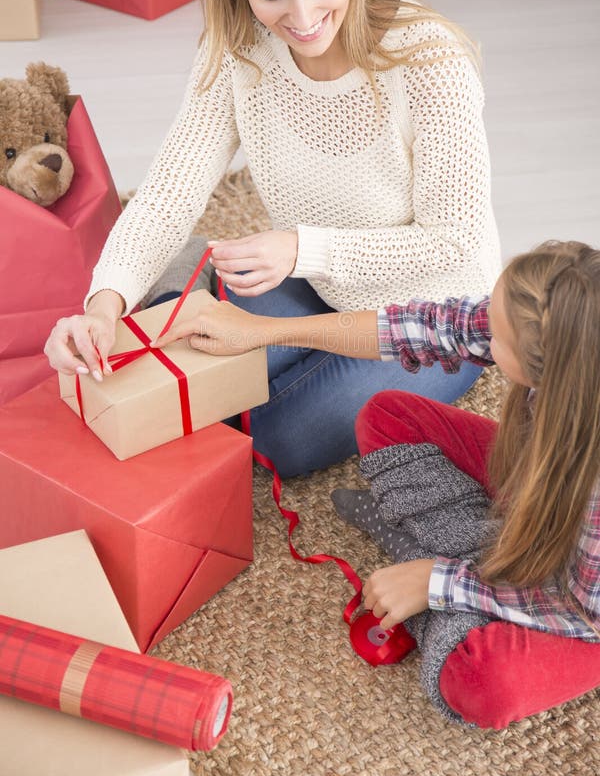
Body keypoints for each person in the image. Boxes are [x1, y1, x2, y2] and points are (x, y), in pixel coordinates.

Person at [44, 0, 501, 477]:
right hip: (315, 278)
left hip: (437, 313)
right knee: (169, 344)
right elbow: (170, 190)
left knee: (277, 438)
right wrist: (104, 306)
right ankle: (240, 315)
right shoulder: (239, 49)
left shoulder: (427, 60)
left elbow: (453, 242)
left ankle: (258, 325)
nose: (305, 18)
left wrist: (300, 249)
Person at [151, 239, 600, 727]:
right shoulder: (569, 345)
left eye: (496, 336)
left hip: (584, 607)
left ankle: (439, 565)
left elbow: (581, 609)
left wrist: (439, 583)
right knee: (388, 415)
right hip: (546, 494)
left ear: (549, 368)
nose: (482, 327)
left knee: (483, 681)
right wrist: (262, 331)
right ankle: (478, 562)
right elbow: (411, 329)